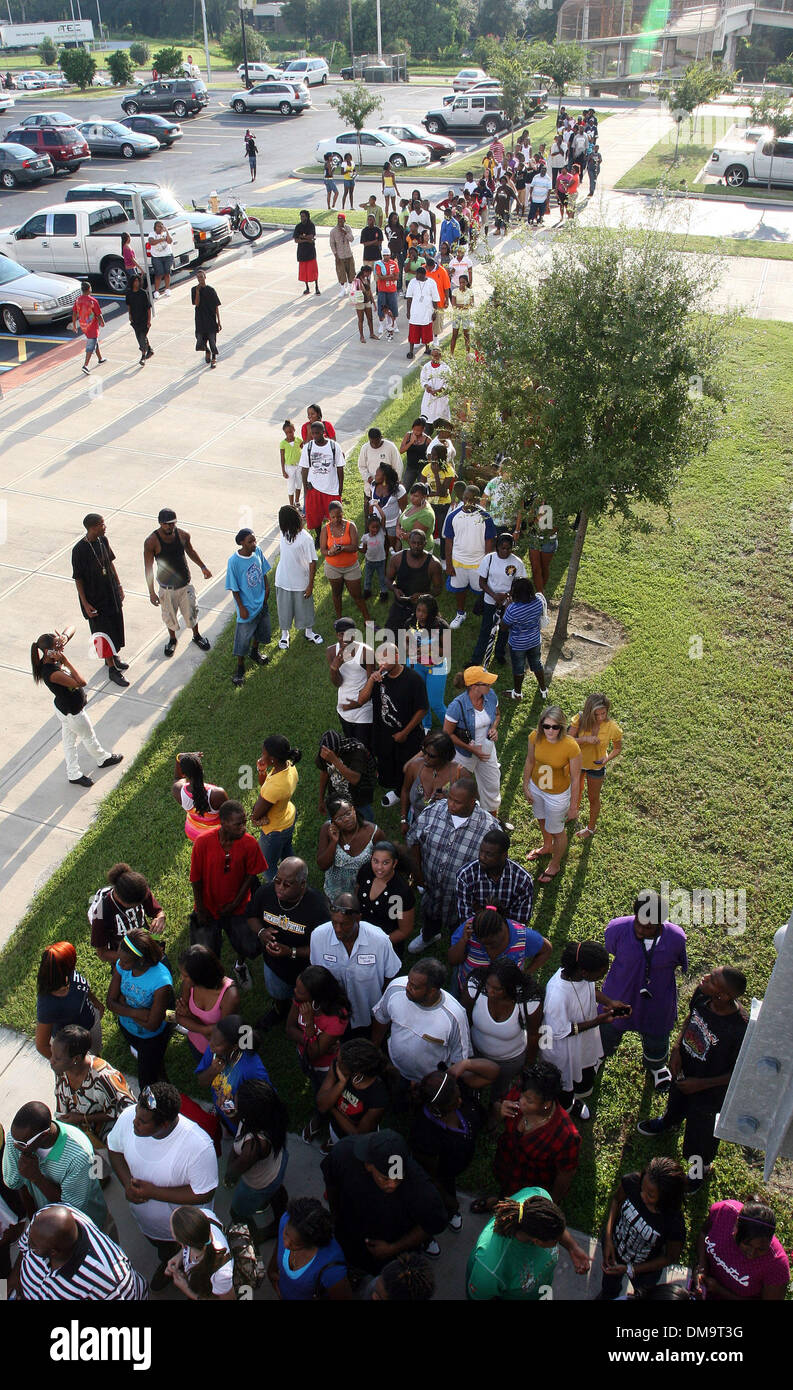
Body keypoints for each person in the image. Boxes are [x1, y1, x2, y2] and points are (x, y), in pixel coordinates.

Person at [637, 968, 749, 1190]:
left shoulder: (740, 1029)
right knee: (675, 1103)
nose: (705, 978)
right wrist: (677, 1048)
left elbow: (738, 1073)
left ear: (724, 996)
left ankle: (698, 1171)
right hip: (684, 1072)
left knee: (700, 1140)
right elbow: (690, 1018)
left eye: (713, 980)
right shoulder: (702, 994)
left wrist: (700, 1085)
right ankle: (668, 1122)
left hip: (710, 1093)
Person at [106, 1083, 218, 1283]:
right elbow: (114, 1150)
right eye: (136, 1115)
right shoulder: (130, 1117)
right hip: (150, 1226)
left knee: (195, 1263)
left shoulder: (198, 1146)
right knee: (164, 1250)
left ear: (164, 1124)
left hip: (186, 1232)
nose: (134, 1122)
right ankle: (168, 1265)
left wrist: (153, 1192)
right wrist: (127, 1185)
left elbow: (204, 1192)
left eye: (142, 1121)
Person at [322, 1130, 447, 1274]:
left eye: (398, 1178)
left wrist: (393, 1248)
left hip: (389, 1254)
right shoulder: (343, 1154)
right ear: (368, 1165)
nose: (392, 1185)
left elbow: (432, 1223)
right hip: (350, 1237)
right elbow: (331, 1183)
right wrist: (335, 1216)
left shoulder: (421, 1188)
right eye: (385, 1178)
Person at [600, 890, 688, 1091]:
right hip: (621, 994)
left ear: (660, 924)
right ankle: (599, 1056)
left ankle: (656, 1066)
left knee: (657, 1034)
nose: (640, 930)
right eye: (638, 923)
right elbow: (611, 949)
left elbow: (678, 961)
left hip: (656, 1000)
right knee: (609, 1029)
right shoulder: (617, 929)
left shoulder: (676, 938)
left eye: (648, 927)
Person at [407, 776, 498, 952]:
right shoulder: (434, 811)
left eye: (457, 802)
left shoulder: (489, 829)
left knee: (459, 926)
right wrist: (417, 874)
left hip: (462, 898)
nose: (450, 805)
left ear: (472, 802)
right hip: (431, 887)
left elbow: (493, 870)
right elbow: (414, 840)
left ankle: (458, 945)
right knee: (430, 915)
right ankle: (429, 935)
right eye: (450, 798)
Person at [474, 1059, 581, 1210]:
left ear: (546, 1104)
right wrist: (499, 1109)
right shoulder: (521, 1092)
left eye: (529, 1101)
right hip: (507, 1165)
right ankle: (499, 1201)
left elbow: (565, 1175)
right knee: (505, 1189)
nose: (520, 1101)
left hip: (532, 1184)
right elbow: (496, 1114)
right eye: (522, 1096)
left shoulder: (565, 1135)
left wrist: (549, 1205)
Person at [541, 939, 630, 1118]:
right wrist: (598, 1021)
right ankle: (561, 1112)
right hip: (563, 1050)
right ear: (584, 971)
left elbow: (589, 989)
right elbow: (561, 1031)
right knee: (564, 1084)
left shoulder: (578, 974)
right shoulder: (556, 995)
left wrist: (609, 1002)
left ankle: (572, 1101)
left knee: (582, 1074)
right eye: (601, 973)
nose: (603, 976)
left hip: (582, 1040)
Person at [411, 1059, 499, 1227]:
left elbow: (494, 1071)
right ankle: (449, 1212)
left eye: (459, 1094)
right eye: (455, 1100)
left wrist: (466, 1065)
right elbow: (431, 1175)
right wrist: (449, 1200)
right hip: (447, 1172)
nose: (460, 1101)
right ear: (439, 1109)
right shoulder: (425, 1134)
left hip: (464, 1154)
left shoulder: (454, 1089)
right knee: (446, 1184)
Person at [30, 629, 123, 787]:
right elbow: (81, 682)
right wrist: (65, 661)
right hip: (73, 712)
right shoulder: (52, 673)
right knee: (88, 736)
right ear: (48, 651)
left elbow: (72, 627)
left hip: (64, 709)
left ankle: (73, 773)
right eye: (57, 647)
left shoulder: (51, 659)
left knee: (69, 743)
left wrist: (63, 637)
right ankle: (103, 758)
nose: (61, 649)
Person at [247, 856, 329, 1029]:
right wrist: (261, 932)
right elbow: (252, 916)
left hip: (306, 969)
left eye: (287, 884)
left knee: (306, 999)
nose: (279, 888)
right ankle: (279, 1010)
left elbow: (322, 948)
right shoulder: (266, 892)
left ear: (302, 884)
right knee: (278, 994)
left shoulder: (318, 907)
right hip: (274, 965)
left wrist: (291, 951)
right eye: (277, 881)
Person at [189, 800, 267, 983]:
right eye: (238, 824)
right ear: (223, 823)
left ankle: (239, 965)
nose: (244, 828)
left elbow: (251, 874)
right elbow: (196, 880)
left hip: (238, 908)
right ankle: (217, 978)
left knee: (250, 945)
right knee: (204, 952)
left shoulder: (249, 843)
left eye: (244, 822)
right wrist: (201, 910)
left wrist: (234, 903)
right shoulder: (202, 843)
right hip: (207, 909)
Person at [3, 1101, 108, 1231]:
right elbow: (13, 1182)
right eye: (13, 1140)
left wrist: (37, 1177)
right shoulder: (18, 1140)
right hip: (46, 1222)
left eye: (22, 1144)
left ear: (44, 1136)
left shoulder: (78, 1156)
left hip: (85, 1225)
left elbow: (71, 1211)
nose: (16, 1146)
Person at [467, 1189, 590, 1299]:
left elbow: (554, 1227)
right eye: (556, 1240)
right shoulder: (490, 1269)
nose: (562, 1238)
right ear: (537, 1241)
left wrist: (572, 1247)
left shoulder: (539, 1196)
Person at [9, 1204, 147, 1301]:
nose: (27, 1244)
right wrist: (11, 1282)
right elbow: (23, 1249)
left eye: (33, 1247)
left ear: (54, 1252)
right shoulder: (44, 1219)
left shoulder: (108, 1280)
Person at [309, 896, 401, 1036]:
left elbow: (390, 975)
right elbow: (317, 973)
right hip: (335, 1012)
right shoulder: (318, 936)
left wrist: (382, 1006)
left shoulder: (379, 940)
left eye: (344, 924)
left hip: (369, 1012)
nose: (338, 929)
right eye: (334, 923)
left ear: (358, 919)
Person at [599, 1157, 686, 1300]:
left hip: (645, 1270)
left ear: (666, 1197)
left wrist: (631, 1269)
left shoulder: (673, 1223)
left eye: (650, 1195)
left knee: (644, 1296)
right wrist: (608, 1238)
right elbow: (616, 1200)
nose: (642, 1195)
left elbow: (670, 1257)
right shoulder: (632, 1182)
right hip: (615, 1252)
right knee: (609, 1288)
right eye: (642, 1189)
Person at [372, 960, 472, 1084]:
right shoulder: (396, 988)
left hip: (427, 1082)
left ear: (432, 991)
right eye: (409, 981)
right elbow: (381, 1019)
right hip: (392, 1067)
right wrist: (375, 1050)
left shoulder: (455, 1016)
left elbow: (459, 1060)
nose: (407, 987)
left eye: (414, 987)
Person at [464, 961, 544, 1114]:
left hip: (509, 1060)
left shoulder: (529, 1001)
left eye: (497, 989)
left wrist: (528, 1065)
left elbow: (535, 1035)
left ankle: (495, 1112)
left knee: (501, 1091)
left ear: (510, 988)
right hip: (476, 1053)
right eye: (488, 985)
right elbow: (464, 1017)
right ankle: (474, 1107)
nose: (490, 991)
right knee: (473, 1085)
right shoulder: (476, 987)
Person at [356, 644, 428, 805]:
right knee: (388, 763)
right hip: (383, 734)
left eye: (385, 659)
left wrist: (405, 732)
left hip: (408, 737)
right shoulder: (379, 678)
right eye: (379, 660)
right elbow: (361, 700)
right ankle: (397, 790)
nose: (382, 664)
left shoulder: (413, 679)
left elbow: (422, 709)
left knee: (407, 766)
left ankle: (409, 791)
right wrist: (371, 680)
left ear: (396, 657)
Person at [105, 929, 174, 1088]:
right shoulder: (122, 965)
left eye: (125, 962)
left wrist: (123, 1006)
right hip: (129, 1029)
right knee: (153, 1064)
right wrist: (138, 1013)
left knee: (146, 1084)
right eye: (120, 959)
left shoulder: (161, 982)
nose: (119, 965)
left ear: (141, 961)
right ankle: (159, 1068)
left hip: (151, 1038)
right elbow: (110, 1002)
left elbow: (153, 1025)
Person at [523, 705, 582, 884]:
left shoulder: (571, 746)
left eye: (555, 727)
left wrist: (573, 806)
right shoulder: (534, 737)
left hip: (557, 795)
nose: (550, 730)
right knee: (541, 818)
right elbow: (530, 760)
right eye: (546, 726)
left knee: (557, 830)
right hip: (537, 787)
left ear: (562, 727)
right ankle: (547, 846)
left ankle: (555, 864)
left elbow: (576, 778)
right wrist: (526, 785)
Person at [143, 507, 212, 658]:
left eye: (173, 523)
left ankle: (196, 636)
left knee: (192, 613)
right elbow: (148, 568)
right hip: (166, 588)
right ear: (160, 523)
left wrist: (203, 567)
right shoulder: (151, 542)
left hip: (185, 584)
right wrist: (151, 592)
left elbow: (190, 551)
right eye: (167, 524)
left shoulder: (183, 535)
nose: (170, 527)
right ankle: (173, 640)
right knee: (169, 617)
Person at [224, 1078, 289, 1235]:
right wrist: (232, 1114)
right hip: (276, 1166)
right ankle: (280, 1215)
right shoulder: (270, 1117)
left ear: (249, 1114)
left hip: (257, 1184)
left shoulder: (253, 1148)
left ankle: (253, 1237)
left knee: (237, 1214)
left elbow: (233, 1170)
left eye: (236, 1102)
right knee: (275, 1191)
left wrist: (229, 1177)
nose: (233, 1100)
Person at [50, 1025, 135, 1144]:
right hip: (78, 1132)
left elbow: (128, 1111)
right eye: (52, 1054)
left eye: (57, 1058)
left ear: (76, 1059)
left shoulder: (104, 1077)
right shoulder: (62, 1069)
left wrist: (83, 1118)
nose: (51, 1060)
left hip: (108, 1137)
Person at [694, 1198, 790, 1301]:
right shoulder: (723, 1212)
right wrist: (702, 1266)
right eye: (747, 1244)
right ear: (735, 1228)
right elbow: (703, 1234)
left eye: (761, 1249)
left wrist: (719, 1290)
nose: (751, 1253)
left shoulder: (777, 1263)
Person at [71, 513, 128, 686]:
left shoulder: (103, 541)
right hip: (94, 598)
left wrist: (118, 586)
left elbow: (110, 563)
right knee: (103, 632)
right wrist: (85, 603)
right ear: (93, 527)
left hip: (110, 593)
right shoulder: (79, 550)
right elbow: (78, 578)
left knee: (115, 626)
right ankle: (112, 669)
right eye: (102, 524)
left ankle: (113, 657)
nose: (105, 527)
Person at [450, 907, 551, 998]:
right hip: (468, 994)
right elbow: (453, 960)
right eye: (483, 944)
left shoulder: (522, 936)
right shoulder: (472, 929)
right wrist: (463, 940)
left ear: (503, 930)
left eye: (492, 943)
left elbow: (546, 950)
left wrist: (526, 974)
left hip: (504, 999)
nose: (487, 947)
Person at [443, 666, 503, 816]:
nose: (491, 685)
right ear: (474, 686)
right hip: (463, 754)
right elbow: (447, 734)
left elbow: (496, 715)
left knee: (492, 786)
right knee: (462, 790)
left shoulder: (491, 696)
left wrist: (494, 728)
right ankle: (467, 818)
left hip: (487, 750)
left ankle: (492, 820)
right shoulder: (456, 706)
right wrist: (472, 749)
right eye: (487, 683)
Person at [195, 1016, 270, 1133]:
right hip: (224, 1114)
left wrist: (228, 1110)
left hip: (242, 1126)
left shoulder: (252, 1069)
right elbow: (201, 1081)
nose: (210, 1046)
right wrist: (212, 1071)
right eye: (211, 1039)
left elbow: (262, 1107)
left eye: (217, 1044)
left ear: (234, 1046)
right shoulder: (214, 1051)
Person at [269, 1197, 352, 1299]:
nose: (286, 1244)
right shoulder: (286, 1219)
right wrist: (272, 1269)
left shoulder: (332, 1270)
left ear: (313, 1242)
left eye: (296, 1244)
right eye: (286, 1234)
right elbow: (279, 1245)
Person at [35, 942, 104, 1061]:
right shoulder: (47, 1005)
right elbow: (42, 1046)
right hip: (74, 1044)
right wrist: (66, 1065)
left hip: (91, 1024)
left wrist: (96, 1003)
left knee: (96, 1056)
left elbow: (83, 987)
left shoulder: (68, 975)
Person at [88, 862, 165, 967]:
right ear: (120, 898)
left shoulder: (139, 889)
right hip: (126, 961)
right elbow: (102, 953)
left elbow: (157, 912)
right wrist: (131, 959)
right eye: (134, 905)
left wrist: (160, 917)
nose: (138, 905)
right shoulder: (101, 912)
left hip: (147, 947)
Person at [568, 693, 623, 839]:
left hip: (596, 767)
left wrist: (607, 759)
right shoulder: (579, 719)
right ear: (588, 712)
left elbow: (617, 748)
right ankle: (573, 813)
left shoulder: (612, 727)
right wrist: (585, 739)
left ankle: (591, 828)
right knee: (575, 791)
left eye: (603, 713)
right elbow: (568, 739)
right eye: (596, 714)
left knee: (593, 798)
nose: (600, 718)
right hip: (578, 763)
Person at [317, 1038, 390, 1144]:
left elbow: (358, 1134)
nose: (336, 1063)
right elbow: (322, 1106)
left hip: (354, 1144)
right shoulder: (338, 1066)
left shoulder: (379, 1096)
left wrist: (332, 1108)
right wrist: (341, 1083)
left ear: (357, 1074)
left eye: (340, 1062)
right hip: (334, 1128)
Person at [456, 828, 535, 925]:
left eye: (489, 854)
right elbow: (466, 920)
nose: (482, 857)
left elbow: (519, 923)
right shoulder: (466, 876)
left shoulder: (523, 881)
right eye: (481, 851)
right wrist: (503, 915)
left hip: (507, 936)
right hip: (475, 934)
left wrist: (480, 912)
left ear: (504, 855)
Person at [471, 533, 526, 667]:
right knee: (486, 629)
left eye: (509, 548)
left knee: (504, 629)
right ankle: (477, 658)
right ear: (497, 547)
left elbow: (519, 584)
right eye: (503, 548)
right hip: (490, 600)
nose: (505, 551)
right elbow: (482, 582)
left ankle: (499, 654)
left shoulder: (517, 563)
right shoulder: (488, 559)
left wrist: (508, 597)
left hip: (508, 603)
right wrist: (494, 595)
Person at [444, 486, 497, 629]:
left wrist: (487, 565)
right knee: (459, 589)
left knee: (483, 589)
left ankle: (486, 614)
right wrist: (449, 565)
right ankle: (461, 613)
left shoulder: (485, 517)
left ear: (477, 500)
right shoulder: (453, 516)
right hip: (458, 562)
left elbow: (489, 542)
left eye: (471, 499)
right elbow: (448, 542)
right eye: (465, 499)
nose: (467, 502)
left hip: (478, 563)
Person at [225, 526, 272, 687]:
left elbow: (263, 570)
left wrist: (267, 588)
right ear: (241, 543)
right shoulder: (234, 562)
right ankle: (240, 668)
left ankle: (255, 652)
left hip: (261, 602)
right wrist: (241, 608)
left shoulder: (257, 551)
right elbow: (233, 586)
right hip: (247, 607)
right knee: (242, 639)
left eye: (254, 540)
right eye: (250, 541)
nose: (254, 543)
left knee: (261, 631)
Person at [174, 945, 239, 1060]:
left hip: (220, 1052)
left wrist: (190, 1017)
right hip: (196, 1045)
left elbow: (222, 1037)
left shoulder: (229, 995)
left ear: (200, 975)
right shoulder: (188, 985)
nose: (182, 979)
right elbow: (179, 1017)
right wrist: (206, 1030)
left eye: (185, 976)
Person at [252, 734, 301, 878]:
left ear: (273, 758)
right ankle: (296, 877)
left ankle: (281, 892)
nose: (262, 756)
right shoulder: (289, 767)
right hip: (289, 817)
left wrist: (254, 816)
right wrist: (262, 771)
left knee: (268, 869)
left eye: (264, 753)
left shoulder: (275, 787)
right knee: (287, 852)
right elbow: (265, 784)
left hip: (274, 831)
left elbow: (256, 814)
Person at [274, 504, 322, 648]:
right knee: (284, 609)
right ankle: (285, 635)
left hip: (301, 581)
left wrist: (310, 584)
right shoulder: (284, 533)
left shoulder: (306, 538)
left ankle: (309, 632)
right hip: (283, 579)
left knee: (305, 609)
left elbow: (312, 562)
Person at [317, 798, 385, 901]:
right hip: (336, 891)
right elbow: (322, 865)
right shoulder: (327, 829)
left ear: (354, 810)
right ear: (333, 821)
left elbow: (386, 861)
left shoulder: (373, 832)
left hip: (364, 889)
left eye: (348, 813)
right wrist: (333, 842)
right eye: (339, 818)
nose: (346, 819)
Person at [165, 1205, 235, 1300]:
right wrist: (179, 1257)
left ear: (180, 1241)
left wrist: (187, 1290)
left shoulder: (222, 1273)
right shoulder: (204, 1216)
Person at [400, 730, 463, 832]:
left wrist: (451, 800)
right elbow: (405, 790)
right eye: (424, 752)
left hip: (445, 829)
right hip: (416, 823)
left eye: (431, 756)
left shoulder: (459, 773)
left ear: (445, 756)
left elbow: (472, 804)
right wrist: (403, 820)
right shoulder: (415, 767)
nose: (425, 757)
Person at [384, 529, 443, 635]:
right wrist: (395, 589)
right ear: (409, 542)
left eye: (419, 543)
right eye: (413, 543)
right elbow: (388, 579)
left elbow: (438, 588)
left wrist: (423, 596)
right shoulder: (397, 559)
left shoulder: (433, 564)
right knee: (390, 640)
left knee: (423, 645)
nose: (416, 546)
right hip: (400, 605)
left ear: (425, 544)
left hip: (422, 610)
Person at [404, 595, 450, 731]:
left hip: (437, 666)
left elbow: (446, 651)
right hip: (416, 665)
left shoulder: (441, 626)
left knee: (435, 703)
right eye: (418, 610)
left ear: (431, 612)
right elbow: (405, 643)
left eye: (424, 612)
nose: (420, 614)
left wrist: (430, 648)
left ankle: (452, 728)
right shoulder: (410, 623)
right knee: (420, 700)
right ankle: (426, 727)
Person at [356, 841, 415, 946]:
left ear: (394, 863)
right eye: (375, 861)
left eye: (385, 863)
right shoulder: (366, 871)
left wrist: (377, 943)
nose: (379, 867)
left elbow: (404, 931)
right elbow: (357, 893)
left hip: (385, 941)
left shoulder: (401, 892)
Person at [326, 619, 374, 745]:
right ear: (337, 635)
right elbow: (337, 683)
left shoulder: (366, 652)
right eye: (341, 634)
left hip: (364, 708)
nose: (344, 638)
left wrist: (358, 703)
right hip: (343, 708)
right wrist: (334, 668)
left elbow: (372, 683)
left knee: (364, 748)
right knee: (351, 746)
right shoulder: (331, 651)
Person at [321, 501, 370, 623]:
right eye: (333, 517)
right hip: (333, 567)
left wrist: (342, 548)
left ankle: (367, 619)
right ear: (329, 516)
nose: (336, 519)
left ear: (343, 513)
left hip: (351, 567)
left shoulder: (350, 526)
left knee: (357, 595)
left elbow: (354, 547)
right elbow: (323, 550)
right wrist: (330, 552)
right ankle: (339, 620)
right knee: (336, 594)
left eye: (339, 516)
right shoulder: (325, 529)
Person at [501, 576, 548, 702]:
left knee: (518, 669)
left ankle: (517, 693)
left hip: (518, 645)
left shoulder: (513, 609)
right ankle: (543, 689)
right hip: (534, 640)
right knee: (537, 664)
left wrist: (507, 607)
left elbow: (504, 627)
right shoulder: (538, 601)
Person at [300, 417, 346, 543]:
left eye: (317, 433)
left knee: (335, 516)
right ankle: (319, 537)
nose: (315, 436)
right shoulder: (307, 447)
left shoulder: (334, 446)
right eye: (313, 433)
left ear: (323, 431)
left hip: (331, 488)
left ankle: (334, 537)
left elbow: (340, 468)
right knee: (314, 516)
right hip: (314, 488)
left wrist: (340, 488)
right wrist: (305, 489)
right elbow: (304, 469)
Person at [317, 728, 378, 820]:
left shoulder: (356, 750)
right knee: (335, 827)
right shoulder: (324, 752)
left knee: (366, 826)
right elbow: (324, 773)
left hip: (358, 798)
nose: (327, 757)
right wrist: (321, 799)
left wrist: (334, 760)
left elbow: (355, 779)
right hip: (336, 800)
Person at [172, 751, 228, 841]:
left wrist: (180, 757)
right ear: (202, 770)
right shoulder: (217, 794)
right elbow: (229, 816)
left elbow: (177, 778)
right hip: (215, 837)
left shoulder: (177, 790)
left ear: (184, 773)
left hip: (193, 833)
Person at [357, 425, 403, 515]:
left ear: (381, 438)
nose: (374, 445)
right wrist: (368, 477)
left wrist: (394, 482)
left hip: (388, 487)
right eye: (372, 442)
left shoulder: (390, 447)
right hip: (370, 487)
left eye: (376, 442)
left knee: (387, 512)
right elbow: (361, 466)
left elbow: (398, 466)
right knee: (370, 514)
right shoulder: (365, 448)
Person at [405, 262, 439, 360]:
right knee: (413, 333)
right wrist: (408, 311)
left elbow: (435, 299)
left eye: (418, 275)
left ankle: (427, 348)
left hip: (427, 312)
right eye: (416, 274)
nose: (416, 276)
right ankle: (411, 351)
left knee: (426, 332)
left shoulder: (431, 283)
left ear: (423, 275)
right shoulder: (412, 282)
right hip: (415, 312)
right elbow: (409, 298)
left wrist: (435, 311)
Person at [70, 279, 106, 373]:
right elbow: (98, 314)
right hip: (92, 326)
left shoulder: (78, 300)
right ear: (89, 289)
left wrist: (74, 325)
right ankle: (85, 365)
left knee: (94, 341)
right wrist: (102, 322)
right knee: (91, 344)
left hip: (83, 326)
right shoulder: (93, 301)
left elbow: (74, 312)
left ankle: (100, 358)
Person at [370, 462, 407, 547]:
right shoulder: (373, 485)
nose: (375, 476)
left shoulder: (398, 489)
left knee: (393, 546)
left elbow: (404, 510)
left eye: (377, 475)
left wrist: (399, 526)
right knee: (382, 547)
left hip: (393, 524)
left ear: (385, 477)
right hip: (378, 523)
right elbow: (371, 503)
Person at [191, 268, 221, 366]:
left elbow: (216, 306)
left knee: (212, 340)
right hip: (200, 319)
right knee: (200, 339)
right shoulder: (194, 290)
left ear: (205, 277)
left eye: (201, 277)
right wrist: (198, 292)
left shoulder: (211, 290)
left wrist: (219, 321)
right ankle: (207, 351)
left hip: (210, 319)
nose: (200, 279)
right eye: (198, 277)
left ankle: (214, 358)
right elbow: (196, 303)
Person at [396, 480, 435, 552]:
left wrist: (401, 534)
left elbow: (415, 536)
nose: (411, 498)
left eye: (416, 496)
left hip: (420, 550)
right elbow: (401, 517)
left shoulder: (426, 514)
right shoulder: (412, 504)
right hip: (407, 547)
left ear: (424, 497)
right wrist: (398, 528)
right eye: (411, 494)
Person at [373, 244, 400, 339]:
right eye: (385, 255)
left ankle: (393, 324)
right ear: (382, 256)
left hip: (392, 290)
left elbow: (397, 277)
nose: (386, 257)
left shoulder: (394, 263)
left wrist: (386, 277)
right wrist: (390, 276)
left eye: (388, 255)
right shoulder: (379, 264)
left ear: (390, 255)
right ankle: (381, 325)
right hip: (382, 290)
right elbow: (380, 277)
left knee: (393, 308)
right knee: (382, 308)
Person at [419, 345, 450, 426]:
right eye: (432, 356)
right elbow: (423, 380)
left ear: (440, 356)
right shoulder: (426, 367)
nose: (433, 358)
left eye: (436, 356)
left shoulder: (446, 368)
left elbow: (448, 382)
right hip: (429, 397)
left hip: (441, 397)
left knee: (441, 420)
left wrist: (440, 390)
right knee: (428, 420)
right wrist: (427, 387)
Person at [125, 272, 152, 365]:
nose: (136, 283)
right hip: (135, 319)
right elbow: (128, 305)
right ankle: (149, 349)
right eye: (135, 281)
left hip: (144, 319)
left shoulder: (143, 293)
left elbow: (148, 308)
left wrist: (149, 321)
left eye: (138, 281)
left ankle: (143, 356)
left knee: (142, 337)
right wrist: (130, 315)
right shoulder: (129, 293)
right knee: (140, 336)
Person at [359, 514, 388, 601]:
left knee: (382, 578)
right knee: (368, 577)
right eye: (373, 527)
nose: (375, 529)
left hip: (381, 561)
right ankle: (367, 592)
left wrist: (376, 505)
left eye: (377, 527)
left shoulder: (381, 533)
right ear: (368, 527)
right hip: (370, 562)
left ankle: (384, 593)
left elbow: (383, 517)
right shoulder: (365, 537)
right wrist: (356, 547)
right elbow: (364, 550)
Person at [400, 415, 432, 492]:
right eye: (414, 430)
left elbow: (432, 454)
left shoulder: (427, 440)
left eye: (418, 430)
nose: (416, 432)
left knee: (422, 490)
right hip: (410, 468)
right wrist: (411, 442)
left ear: (423, 429)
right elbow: (401, 450)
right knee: (404, 489)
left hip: (423, 469)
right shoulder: (408, 435)